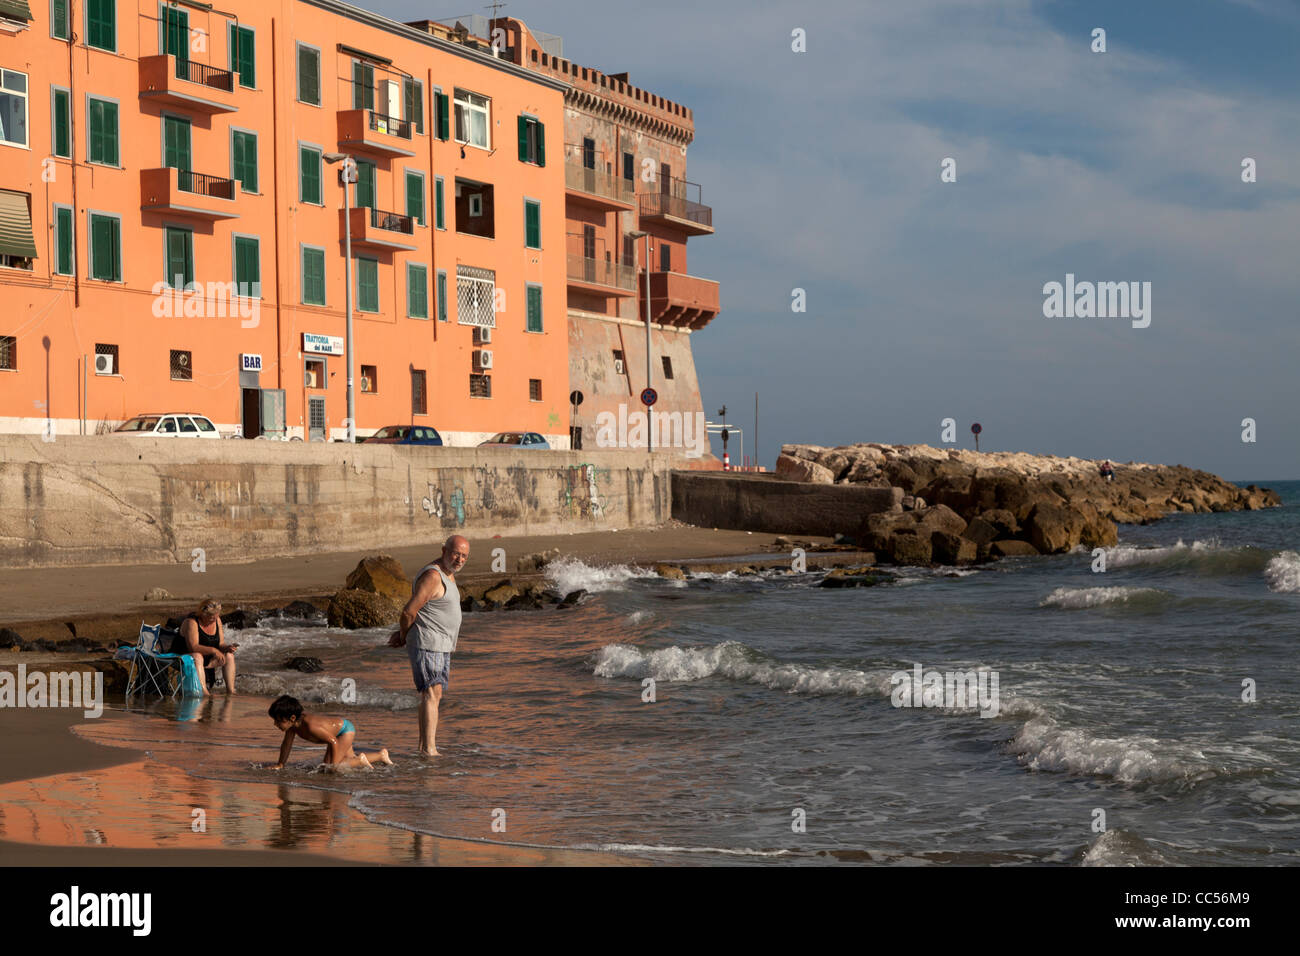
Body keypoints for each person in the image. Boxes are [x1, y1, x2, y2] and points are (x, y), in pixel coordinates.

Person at [388, 535, 468, 757]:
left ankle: (424, 747)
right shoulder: (433, 576)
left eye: (464, 556)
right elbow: (408, 611)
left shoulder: (448, 575)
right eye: (456, 554)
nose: (460, 559)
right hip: (428, 642)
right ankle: (429, 749)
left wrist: (404, 634)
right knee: (432, 693)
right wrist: (404, 636)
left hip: (440, 644)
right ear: (444, 550)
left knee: (434, 694)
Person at [268, 695, 392, 770]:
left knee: (333, 768)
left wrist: (333, 765)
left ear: (292, 718)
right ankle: (381, 755)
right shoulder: (292, 727)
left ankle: (360, 761)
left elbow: (333, 741)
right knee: (346, 760)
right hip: (337, 733)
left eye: (278, 721)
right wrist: (280, 764)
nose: (275, 724)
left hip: (344, 731)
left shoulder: (311, 726)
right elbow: (286, 745)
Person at [174, 598, 238, 695]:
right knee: (197, 656)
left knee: (229, 656)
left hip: (205, 657)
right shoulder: (191, 622)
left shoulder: (217, 620)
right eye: (212, 618)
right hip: (182, 657)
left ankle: (231, 691)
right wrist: (214, 650)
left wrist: (227, 647)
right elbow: (193, 647)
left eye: (216, 617)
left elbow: (221, 643)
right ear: (203, 614)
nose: (214, 620)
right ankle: (204, 692)